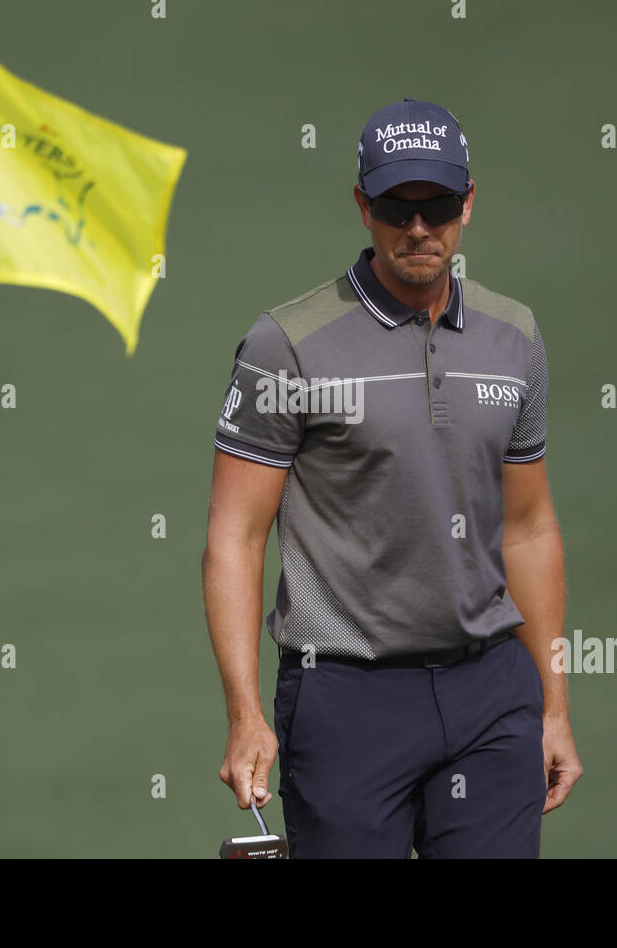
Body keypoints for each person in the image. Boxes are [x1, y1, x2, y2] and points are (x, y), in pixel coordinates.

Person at [201, 97, 581, 858]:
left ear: (468, 204)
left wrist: (553, 705)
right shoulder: (288, 345)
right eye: (395, 206)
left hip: (490, 695)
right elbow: (235, 537)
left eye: (436, 204)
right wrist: (246, 712)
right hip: (345, 700)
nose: (417, 228)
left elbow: (530, 526)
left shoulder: (516, 339)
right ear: (362, 206)